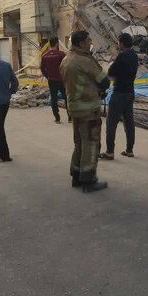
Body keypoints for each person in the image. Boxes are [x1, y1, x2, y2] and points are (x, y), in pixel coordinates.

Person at [60, 30, 110, 193]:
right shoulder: (85, 61)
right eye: (89, 41)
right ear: (81, 43)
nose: (90, 43)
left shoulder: (66, 59)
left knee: (79, 143)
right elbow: (104, 81)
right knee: (91, 144)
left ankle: (76, 176)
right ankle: (88, 180)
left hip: (74, 108)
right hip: (88, 109)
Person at [101, 32, 139, 160]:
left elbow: (111, 72)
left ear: (122, 43)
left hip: (119, 93)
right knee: (129, 122)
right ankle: (129, 150)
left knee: (111, 123)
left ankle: (110, 152)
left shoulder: (122, 56)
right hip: (130, 92)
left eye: (119, 43)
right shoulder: (134, 56)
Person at [40, 37, 71, 124]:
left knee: (54, 99)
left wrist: (48, 76)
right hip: (62, 80)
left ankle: (57, 118)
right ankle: (70, 117)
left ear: (49, 44)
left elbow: (42, 68)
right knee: (67, 97)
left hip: (51, 80)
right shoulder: (61, 54)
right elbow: (66, 66)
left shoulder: (44, 55)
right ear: (57, 43)